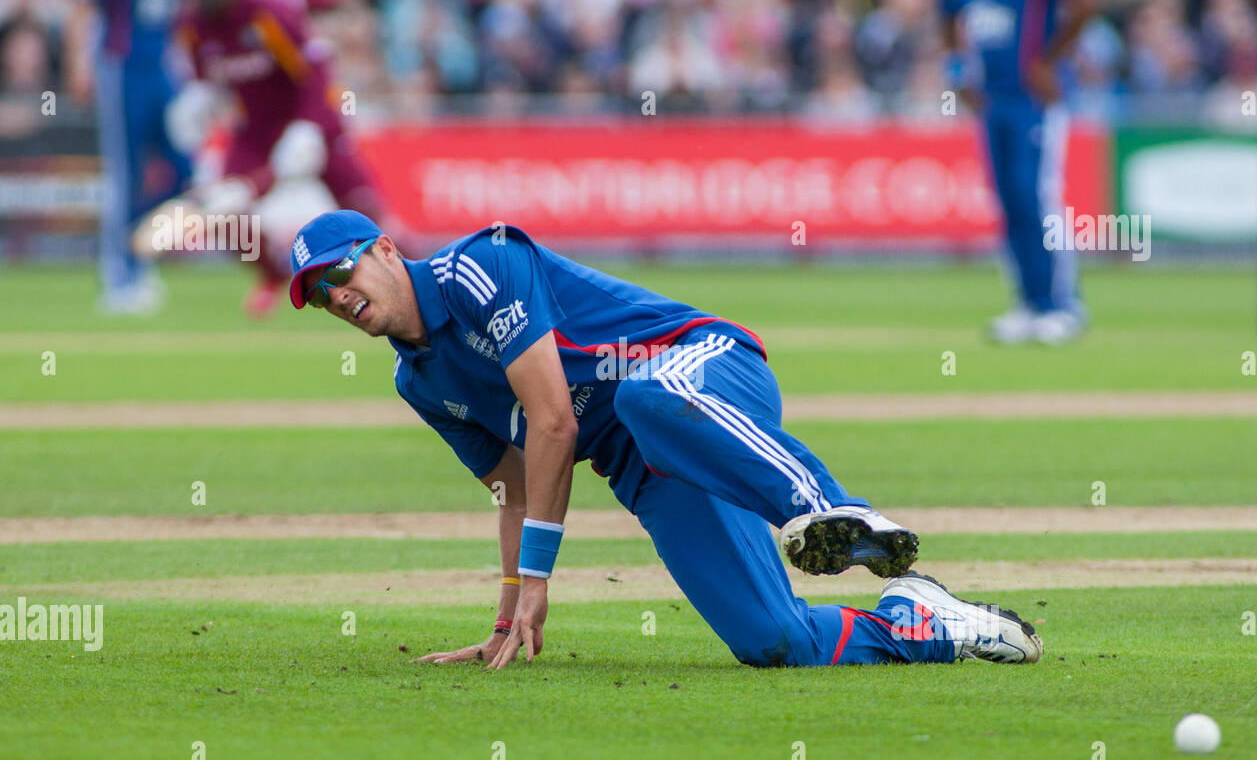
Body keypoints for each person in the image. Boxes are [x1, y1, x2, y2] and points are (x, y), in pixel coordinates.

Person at [286, 210, 1044, 670]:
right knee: (772, 642)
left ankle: (832, 511)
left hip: (703, 369)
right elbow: (514, 484)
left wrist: (543, 577)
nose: (336, 296)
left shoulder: (478, 267)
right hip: (646, 461)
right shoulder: (417, 382)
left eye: (339, 272)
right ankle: (920, 620)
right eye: (319, 295)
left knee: (647, 394)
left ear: (385, 249)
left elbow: (554, 422)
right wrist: (506, 610)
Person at [169, 0, 384, 317]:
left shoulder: (268, 12)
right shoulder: (192, 23)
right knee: (225, 212)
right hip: (255, 132)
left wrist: (309, 127)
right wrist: (195, 103)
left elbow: (315, 71)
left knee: (368, 215)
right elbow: (208, 81)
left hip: (312, 123)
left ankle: (411, 284)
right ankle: (272, 276)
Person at [939, 0, 1096, 344]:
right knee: (1007, 198)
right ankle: (1028, 302)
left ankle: (1061, 304)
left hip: (1034, 99)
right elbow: (947, 18)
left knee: (1035, 196)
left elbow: (1083, 0)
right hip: (993, 101)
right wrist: (959, 73)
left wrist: (1048, 62)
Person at [67, 0, 192, 315]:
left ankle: (141, 252)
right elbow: (83, 6)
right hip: (122, 72)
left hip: (164, 73)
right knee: (125, 174)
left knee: (183, 171)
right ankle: (119, 276)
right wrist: (79, 64)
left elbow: (185, 11)